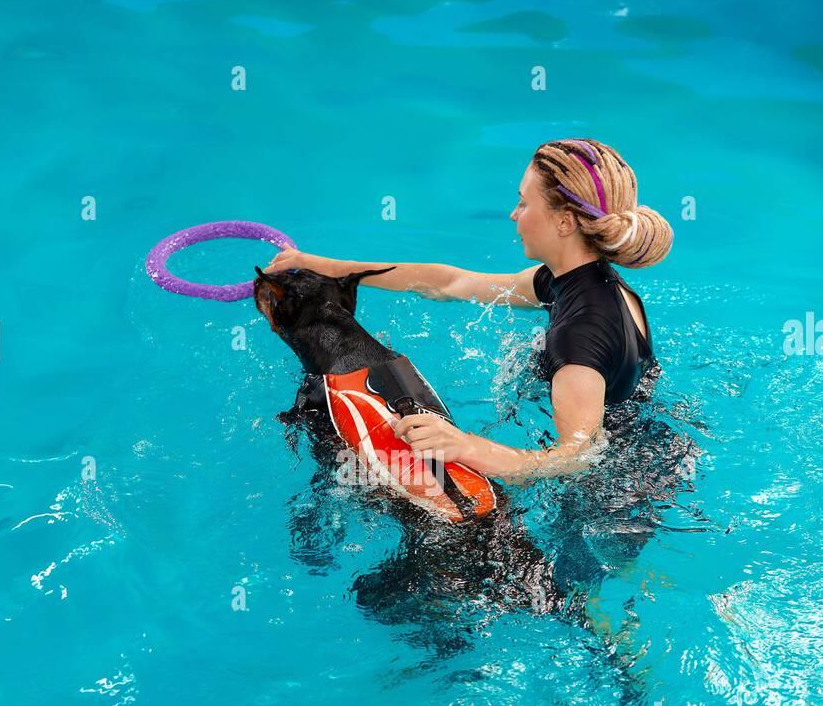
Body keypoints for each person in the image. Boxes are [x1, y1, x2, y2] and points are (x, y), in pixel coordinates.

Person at [267, 138, 673, 479]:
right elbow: (447, 282)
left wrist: (463, 445)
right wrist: (325, 268)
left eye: (524, 203)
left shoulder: (579, 337)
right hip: (651, 447)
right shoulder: (575, 280)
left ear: (566, 222)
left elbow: (576, 458)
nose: (514, 215)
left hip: (618, 497)